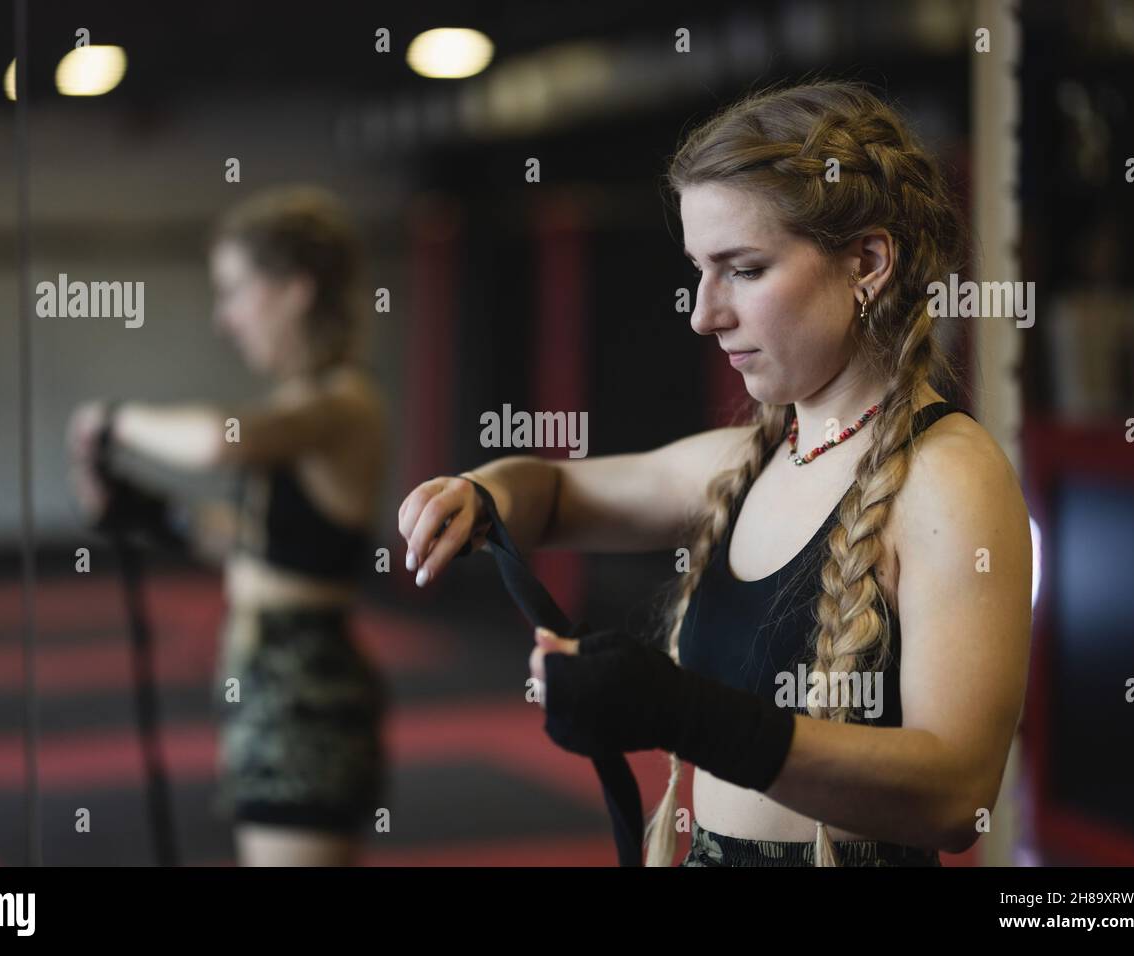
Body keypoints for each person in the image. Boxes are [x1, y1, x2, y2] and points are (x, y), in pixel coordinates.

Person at [396, 80, 1032, 867]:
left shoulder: (951, 480)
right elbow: (554, 492)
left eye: (744, 269)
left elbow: (956, 797)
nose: (704, 313)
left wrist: (683, 714)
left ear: (867, 261)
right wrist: (478, 490)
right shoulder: (751, 459)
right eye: (701, 269)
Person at [68, 185, 388, 866]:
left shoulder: (340, 405)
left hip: (306, 697)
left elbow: (218, 442)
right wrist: (141, 510)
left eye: (237, 291)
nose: (225, 318)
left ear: (296, 291)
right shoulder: (301, 403)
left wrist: (114, 418)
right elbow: (248, 541)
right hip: (273, 689)